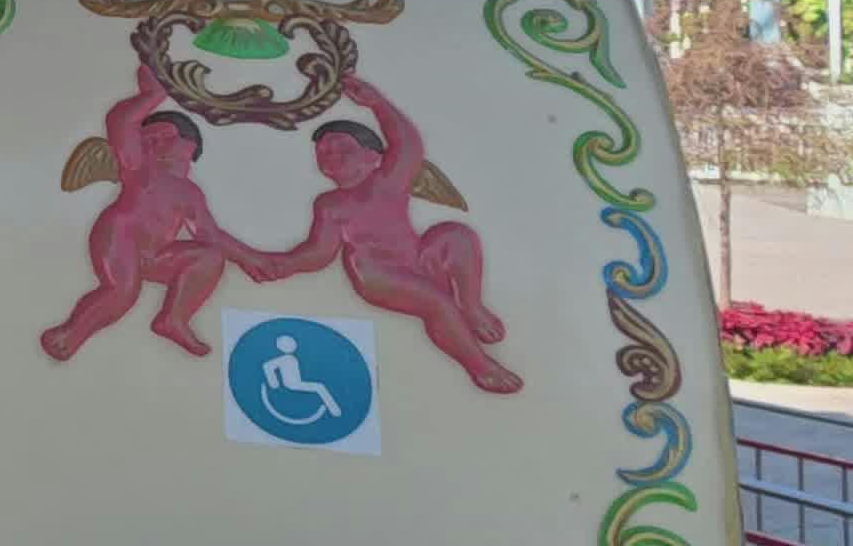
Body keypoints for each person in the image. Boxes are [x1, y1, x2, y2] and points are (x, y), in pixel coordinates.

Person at [232, 72, 519, 393]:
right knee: (437, 304)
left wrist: (377, 103)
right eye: (324, 152)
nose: (331, 155)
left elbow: (407, 144)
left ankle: (471, 305)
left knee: (457, 235)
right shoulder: (330, 204)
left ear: (374, 157)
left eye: (343, 148)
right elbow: (319, 253)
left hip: (418, 258)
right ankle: (480, 366)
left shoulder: (387, 182)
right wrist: (282, 264)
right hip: (377, 274)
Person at [41, 53, 252, 362]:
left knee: (209, 257)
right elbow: (120, 121)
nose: (151, 142)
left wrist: (251, 257)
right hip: (120, 236)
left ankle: (174, 318)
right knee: (122, 291)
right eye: (146, 139)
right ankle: (70, 334)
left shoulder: (191, 193)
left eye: (163, 137)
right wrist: (152, 96)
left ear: (190, 147)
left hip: (156, 253)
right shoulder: (139, 167)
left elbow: (210, 235)